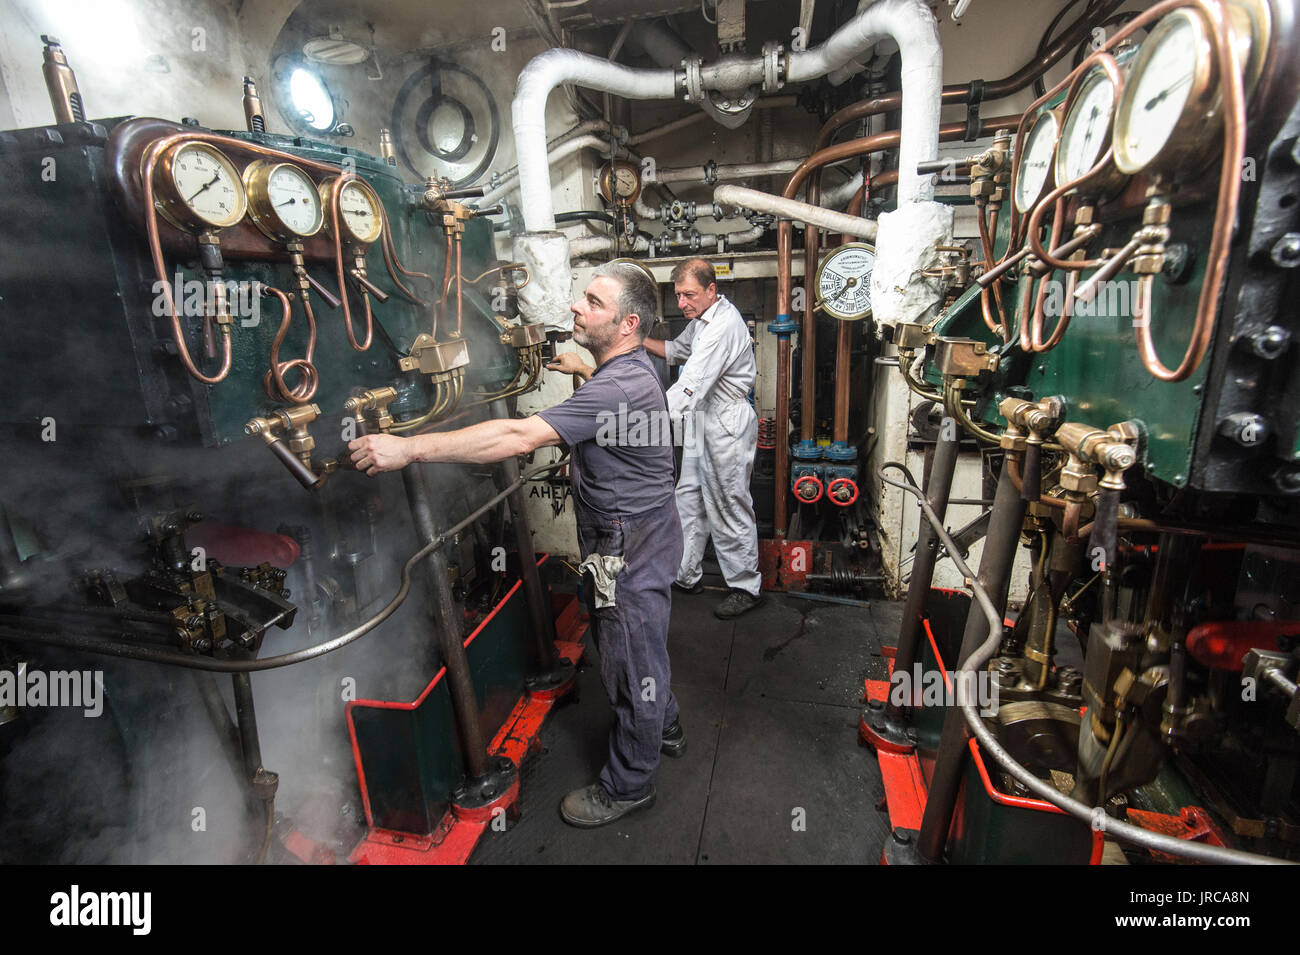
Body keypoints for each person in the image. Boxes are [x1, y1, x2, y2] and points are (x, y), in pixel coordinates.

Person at [349, 261, 684, 829]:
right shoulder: (632, 367)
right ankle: (665, 724)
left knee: (630, 659)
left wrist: (409, 449)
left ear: (628, 324)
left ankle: (630, 784)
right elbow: (602, 409)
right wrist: (581, 370)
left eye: (593, 302)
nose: (577, 307)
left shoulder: (619, 383)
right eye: (582, 297)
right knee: (640, 644)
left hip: (627, 543)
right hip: (646, 529)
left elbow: (517, 435)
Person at [647, 258, 764, 620]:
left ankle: (745, 586)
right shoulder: (702, 321)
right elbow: (675, 352)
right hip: (704, 419)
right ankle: (686, 573)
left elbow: (690, 385)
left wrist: (637, 421)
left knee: (729, 501)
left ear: (711, 290)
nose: (682, 303)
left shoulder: (722, 326)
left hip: (725, 421)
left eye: (689, 294)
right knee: (689, 497)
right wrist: (635, 341)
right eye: (678, 295)